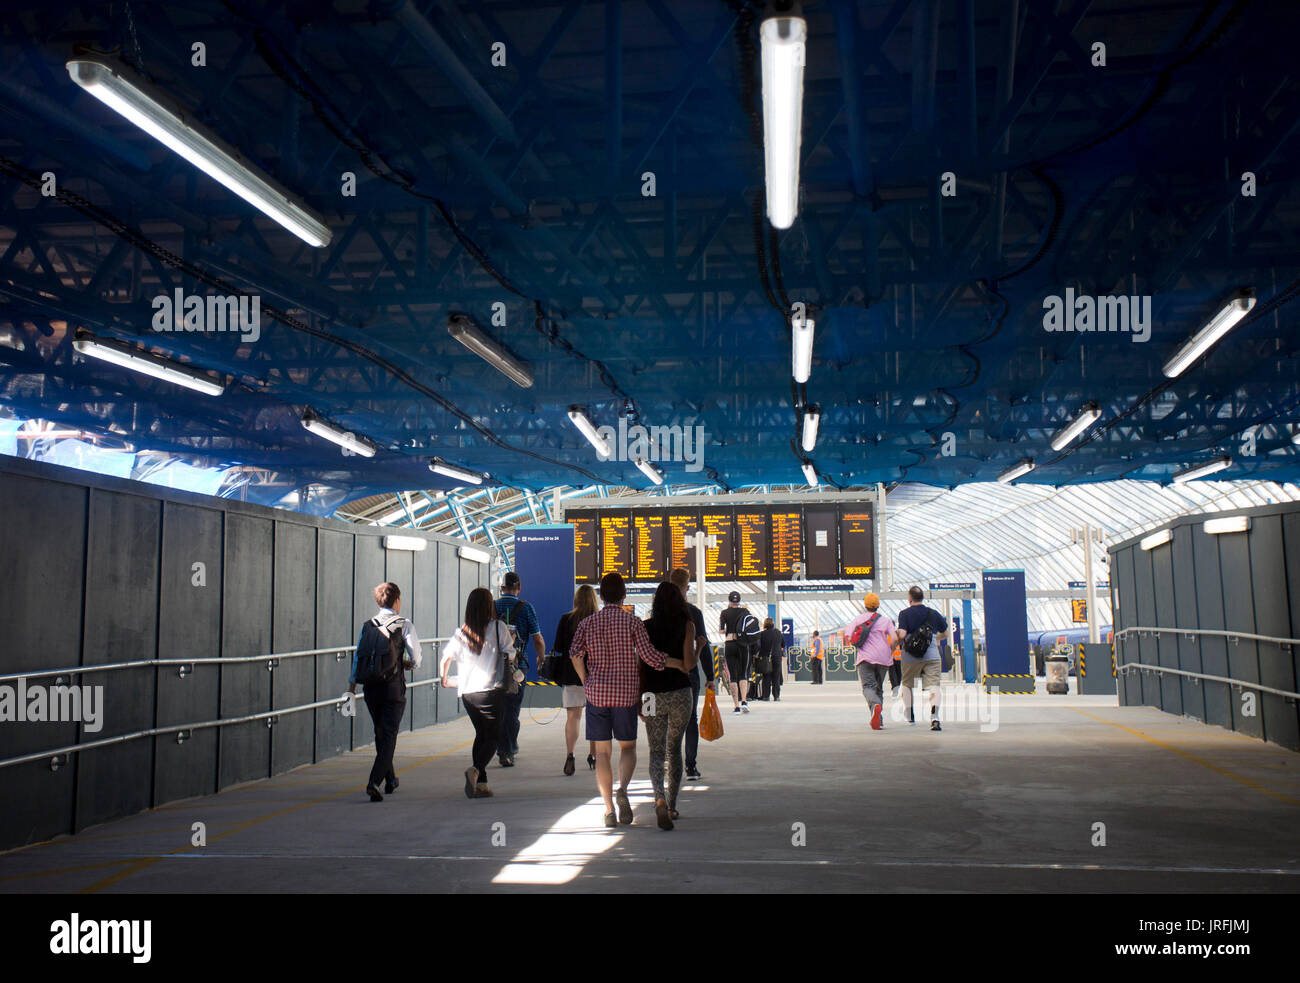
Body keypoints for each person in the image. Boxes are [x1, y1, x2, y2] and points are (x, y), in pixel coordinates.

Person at [570, 572, 684, 828]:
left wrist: (586, 679)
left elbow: (575, 653)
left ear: (601, 596)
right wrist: (680, 663)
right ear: (624, 596)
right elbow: (650, 657)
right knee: (628, 748)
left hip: (597, 694)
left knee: (601, 754)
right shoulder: (633, 623)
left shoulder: (587, 623)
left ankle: (609, 809)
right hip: (625, 694)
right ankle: (622, 789)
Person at [347, 582, 421, 802]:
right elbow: (415, 657)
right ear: (397, 600)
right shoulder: (403, 624)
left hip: (370, 688)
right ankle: (374, 782)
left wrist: (351, 686)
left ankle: (391, 779)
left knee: (381, 733)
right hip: (392, 688)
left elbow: (357, 658)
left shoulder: (368, 625)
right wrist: (409, 664)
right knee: (388, 735)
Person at [438, 587, 512, 798]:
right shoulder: (499, 627)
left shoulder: (461, 632)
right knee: (494, 737)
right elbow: (511, 655)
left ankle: (481, 785)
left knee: (482, 735)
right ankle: (475, 769)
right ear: (490, 606)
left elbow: (445, 659)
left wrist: (444, 679)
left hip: (468, 693)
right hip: (491, 690)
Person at [641, 581, 697, 830]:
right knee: (674, 749)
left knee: (656, 751)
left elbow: (640, 665)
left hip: (652, 695)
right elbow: (687, 665)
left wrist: (638, 699)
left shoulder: (645, 627)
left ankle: (659, 798)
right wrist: (700, 646)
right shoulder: (687, 626)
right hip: (680, 694)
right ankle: (673, 805)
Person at [495, 571, 544, 767]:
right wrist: (541, 658)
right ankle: (509, 748)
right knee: (512, 709)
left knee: (498, 710)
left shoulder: (492, 606)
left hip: (493, 668)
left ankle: (502, 748)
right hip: (518, 668)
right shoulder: (526, 608)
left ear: (502, 588)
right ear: (519, 588)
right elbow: (537, 638)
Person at [669, 567, 714, 782]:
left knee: (669, 720)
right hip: (690, 673)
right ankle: (690, 766)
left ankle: (671, 762)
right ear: (687, 587)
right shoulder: (694, 613)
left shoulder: (661, 612)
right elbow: (703, 645)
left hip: (667, 672)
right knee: (690, 720)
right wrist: (711, 677)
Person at [552, 585, 599, 776]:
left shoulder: (566, 619)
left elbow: (559, 647)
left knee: (573, 716)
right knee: (596, 716)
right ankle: (593, 755)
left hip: (571, 674)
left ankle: (570, 755)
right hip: (596, 674)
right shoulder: (598, 620)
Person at [897, 586, 949, 731]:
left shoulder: (904, 614)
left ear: (910, 598)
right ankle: (935, 717)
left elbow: (901, 635)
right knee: (934, 686)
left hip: (910, 656)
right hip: (931, 654)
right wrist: (934, 639)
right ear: (922, 597)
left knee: (907, 684)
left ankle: (910, 716)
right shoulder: (933, 614)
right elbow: (945, 634)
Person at [844, 593, 897, 730]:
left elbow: (848, 635)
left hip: (865, 658)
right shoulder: (885, 621)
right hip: (883, 658)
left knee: (868, 687)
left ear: (865, 605)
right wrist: (890, 651)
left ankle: (875, 707)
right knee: (878, 688)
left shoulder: (858, 620)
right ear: (878, 605)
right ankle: (879, 719)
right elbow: (895, 638)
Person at [719, 590, 756, 713]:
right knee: (743, 673)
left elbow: (721, 630)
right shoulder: (744, 612)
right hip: (743, 645)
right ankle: (744, 701)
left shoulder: (724, 613)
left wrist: (729, 630)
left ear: (729, 600)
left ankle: (736, 706)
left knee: (733, 676)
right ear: (739, 600)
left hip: (730, 644)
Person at [756, 618, 785, 701]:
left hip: (766, 658)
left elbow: (758, 646)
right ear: (773, 624)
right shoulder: (778, 633)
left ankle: (766, 696)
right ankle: (776, 696)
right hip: (777, 657)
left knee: (766, 676)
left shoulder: (762, 634)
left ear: (765, 624)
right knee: (776, 676)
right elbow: (783, 644)